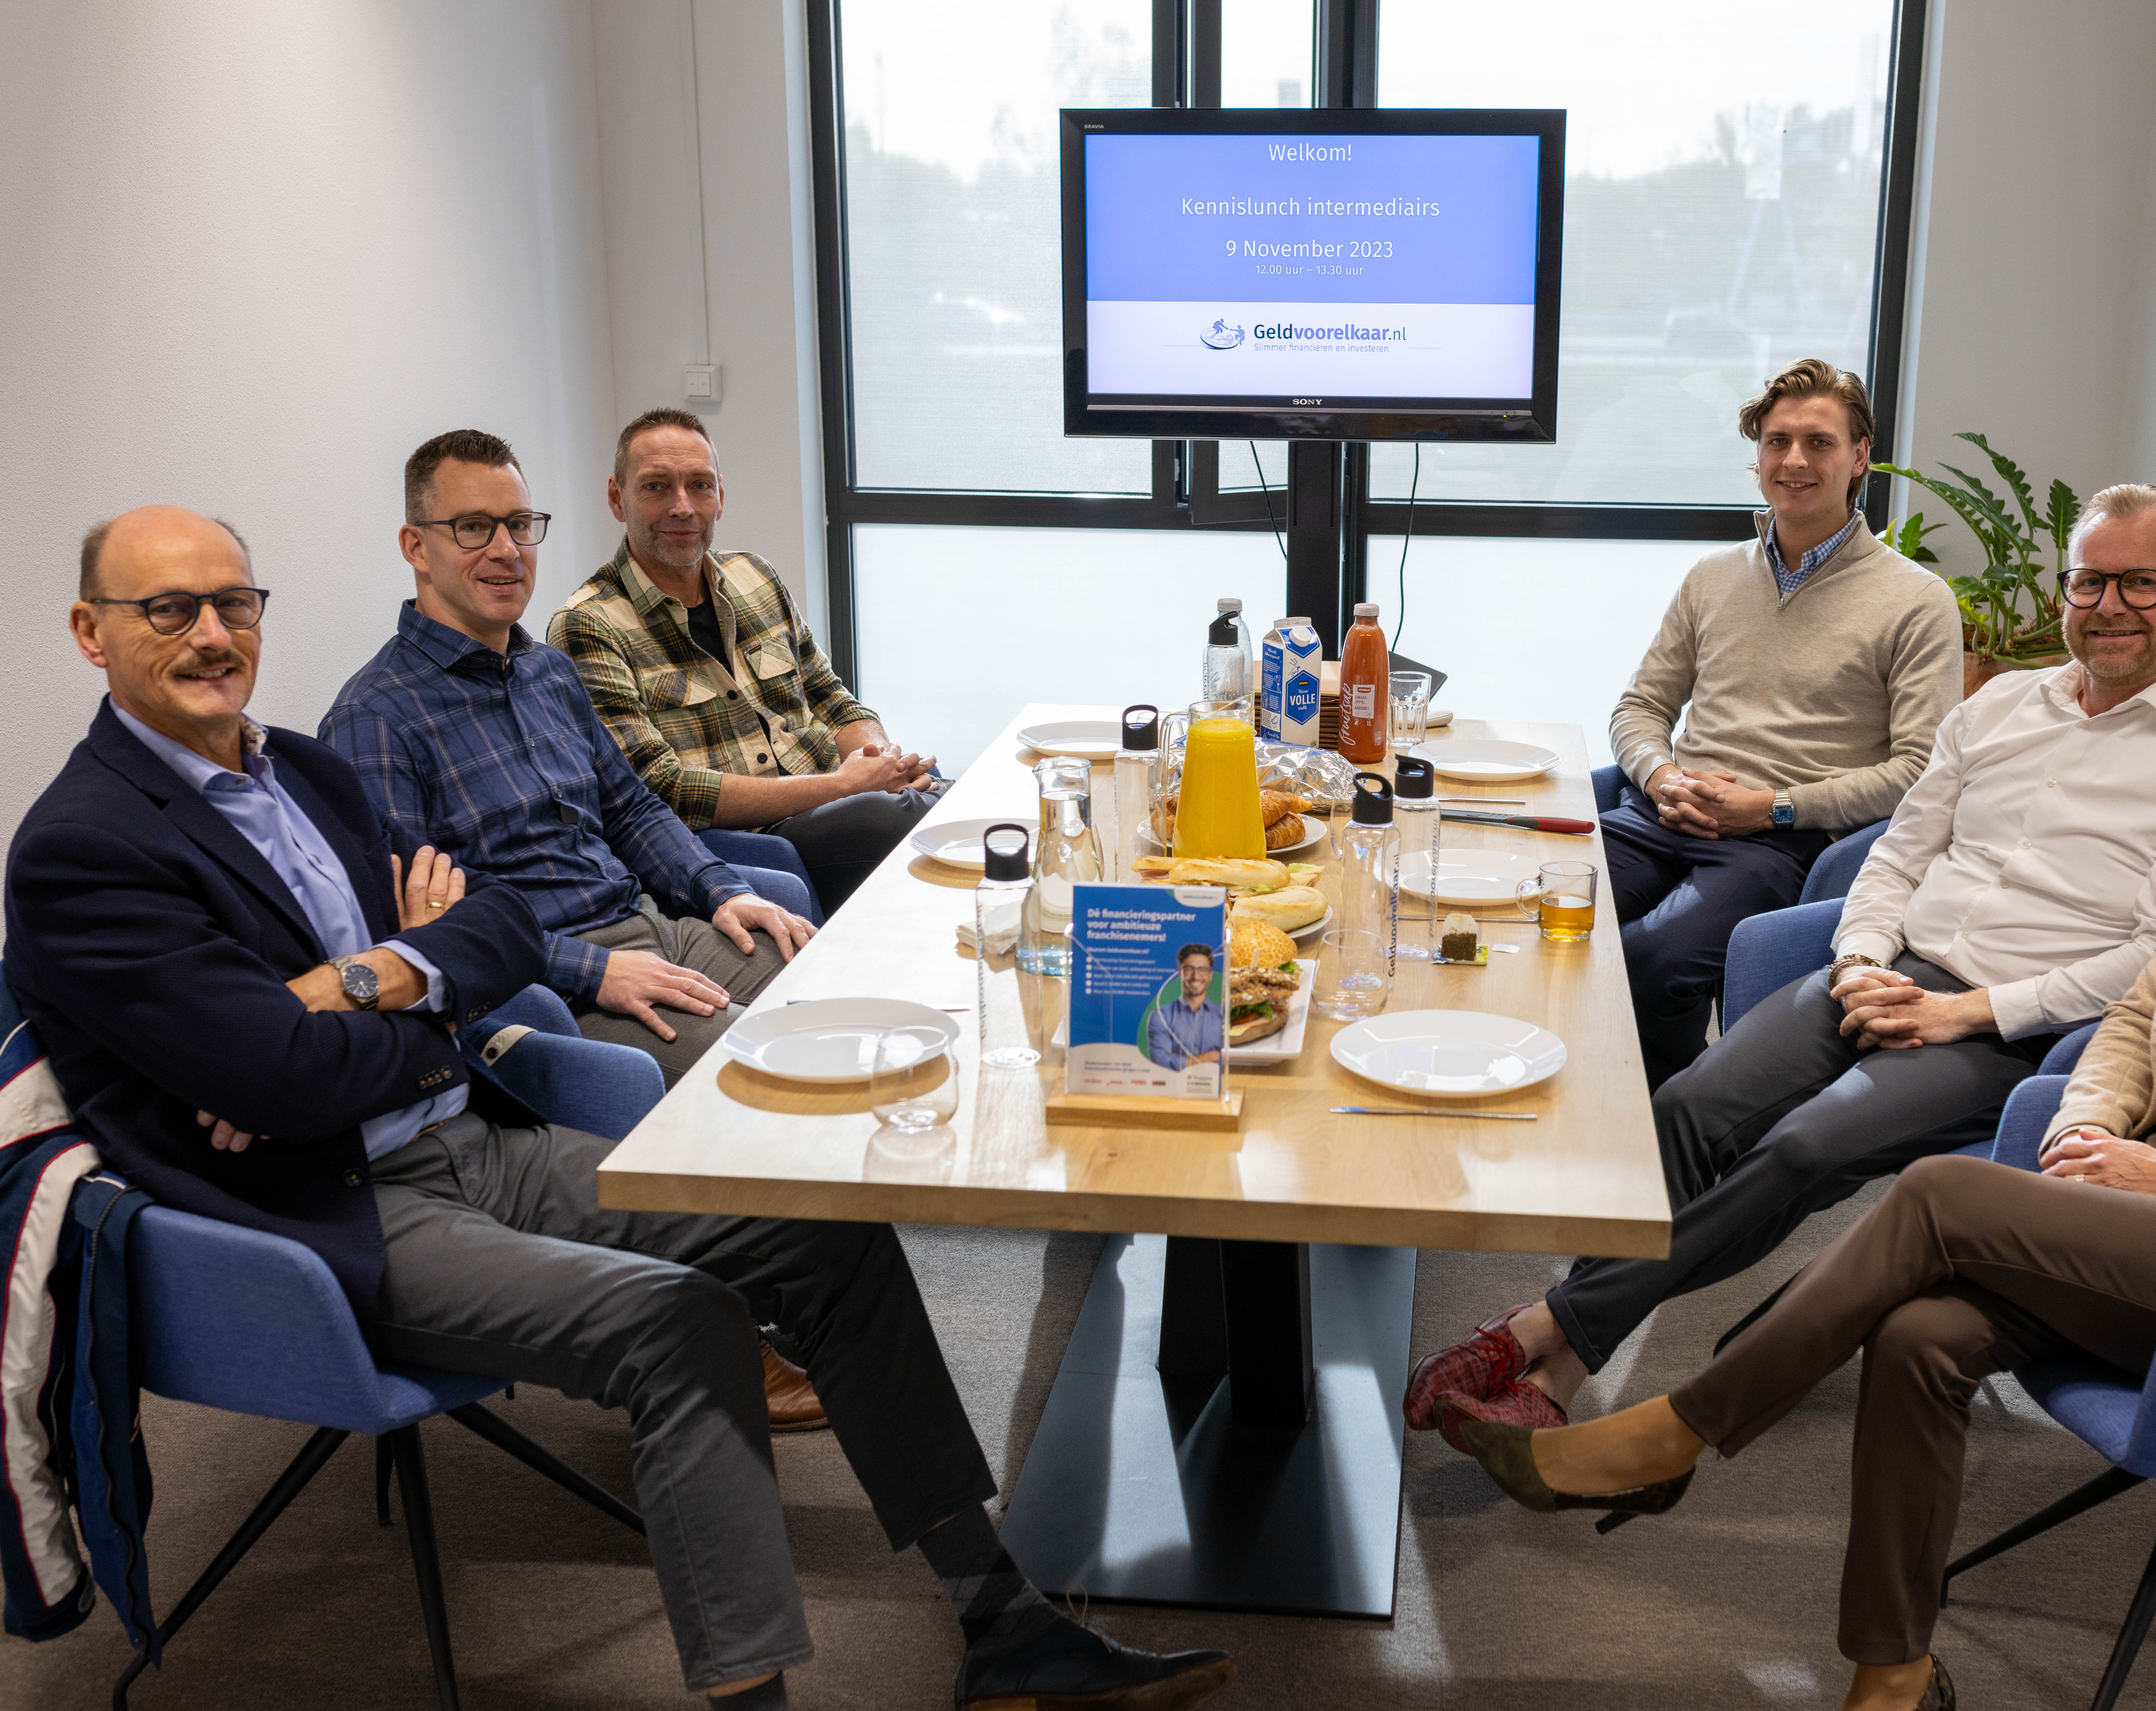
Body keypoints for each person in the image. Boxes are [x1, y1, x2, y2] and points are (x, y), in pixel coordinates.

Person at [7, 504, 1237, 1711]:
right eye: (168, 609)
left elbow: (490, 920)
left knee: (827, 1234)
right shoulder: (84, 848)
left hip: (474, 1133)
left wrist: (374, 981)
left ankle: (1001, 1625)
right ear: (89, 630)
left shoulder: (307, 773)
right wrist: (410, 992)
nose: (213, 632)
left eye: (234, 603)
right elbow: (286, 1076)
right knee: (686, 1325)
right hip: (330, 1215)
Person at [1435, 543, 2156, 1711]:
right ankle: (1893, 1670)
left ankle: (1673, 1428)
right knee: (1924, 1329)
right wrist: (2087, 1124)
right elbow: (2139, 1016)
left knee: (1935, 1195)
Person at [1410, 484, 2156, 1440]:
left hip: (2013, 1030)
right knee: (1688, 1109)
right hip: (1886, 969)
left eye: (2143, 584)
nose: (2108, 606)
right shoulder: (2003, 705)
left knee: (1805, 1148)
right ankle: (1556, 1377)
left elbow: (2153, 958)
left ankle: (1533, 1332)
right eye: (2091, 581)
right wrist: (1856, 957)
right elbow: (1898, 852)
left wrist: (1962, 1015)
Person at [322, 428, 813, 1085]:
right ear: (416, 545)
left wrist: (719, 889)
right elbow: (428, 929)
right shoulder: (375, 719)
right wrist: (594, 969)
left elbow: (632, 809)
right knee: (774, 1068)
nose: (505, 550)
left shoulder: (548, 671)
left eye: (519, 525)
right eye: (473, 527)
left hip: (652, 921)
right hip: (556, 985)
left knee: (836, 994)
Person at [1604, 359, 1963, 1088]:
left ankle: (1659, 1124)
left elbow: (1920, 771)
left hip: (1777, 842)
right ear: (1757, 456)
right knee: (1542, 904)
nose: (1794, 460)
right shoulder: (1712, 577)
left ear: (1859, 456)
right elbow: (1640, 708)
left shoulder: (1916, 600)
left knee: (1652, 960)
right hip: (1663, 812)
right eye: (1777, 441)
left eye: (1819, 442)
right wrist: (1662, 774)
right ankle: (1597, 1092)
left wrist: (1771, 807)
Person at [547, 409, 940, 916]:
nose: (683, 507)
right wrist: (846, 785)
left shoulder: (755, 575)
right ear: (616, 498)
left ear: (721, 497)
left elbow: (829, 696)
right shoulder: (588, 625)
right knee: (901, 819)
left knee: (945, 793)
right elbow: (661, 790)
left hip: (838, 796)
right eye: (656, 487)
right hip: (747, 838)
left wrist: (883, 761)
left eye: (699, 485)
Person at [1146, 945, 1222, 1070]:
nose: (1196, 976)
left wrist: (1179, 1061)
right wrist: (1212, 1056)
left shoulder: (1223, 1015)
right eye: (1189, 969)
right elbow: (1161, 1064)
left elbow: (1230, 1060)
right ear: (1180, 974)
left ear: (1210, 975)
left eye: (1202, 969)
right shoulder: (1161, 1016)